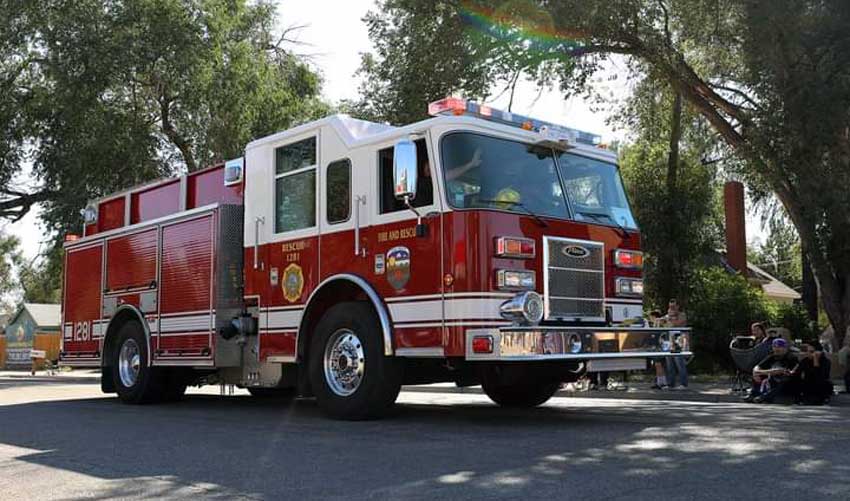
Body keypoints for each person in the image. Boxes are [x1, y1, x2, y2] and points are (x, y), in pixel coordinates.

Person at [745, 338, 800, 403]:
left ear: (785, 348)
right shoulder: (772, 356)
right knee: (757, 375)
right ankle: (753, 394)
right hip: (774, 381)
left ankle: (765, 397)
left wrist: (761, 372)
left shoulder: (791, 358)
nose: (777, 349)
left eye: (779, 347)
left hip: (788, 384)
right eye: (774, 347)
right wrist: (755, 373)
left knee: (785, 380)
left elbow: (783, 371)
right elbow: (758, 366)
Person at [663, 299, 689, 389]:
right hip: (669, 340)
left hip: (679, 339)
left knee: (679, 362)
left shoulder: (682, 315)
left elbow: (677, 324)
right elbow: (662, 324)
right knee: (669, 363)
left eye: (673, 307)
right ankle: (670, 383)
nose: (671, 308)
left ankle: (683, 383)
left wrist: (669, 318)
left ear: (677, 306)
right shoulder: (667, 316)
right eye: (670, 307)